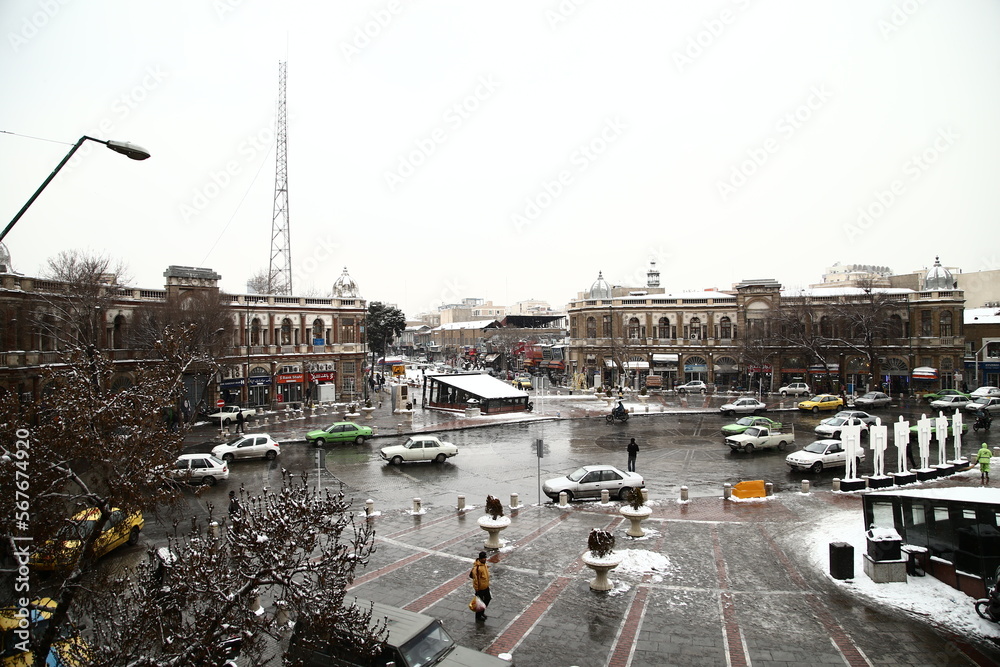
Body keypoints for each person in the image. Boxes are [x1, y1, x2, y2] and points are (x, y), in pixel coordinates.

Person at [470, 551, 491, 622]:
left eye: (485, 558)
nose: (485, 559)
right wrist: (477, 590)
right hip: (480, 589)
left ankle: (482, 612)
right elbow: (476, 580)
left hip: (486, 586)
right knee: (479, 603)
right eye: (483, 558)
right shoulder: (478, 568)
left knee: (488, 599)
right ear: (480, 558)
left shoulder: (484, 564)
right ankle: (478, 616)